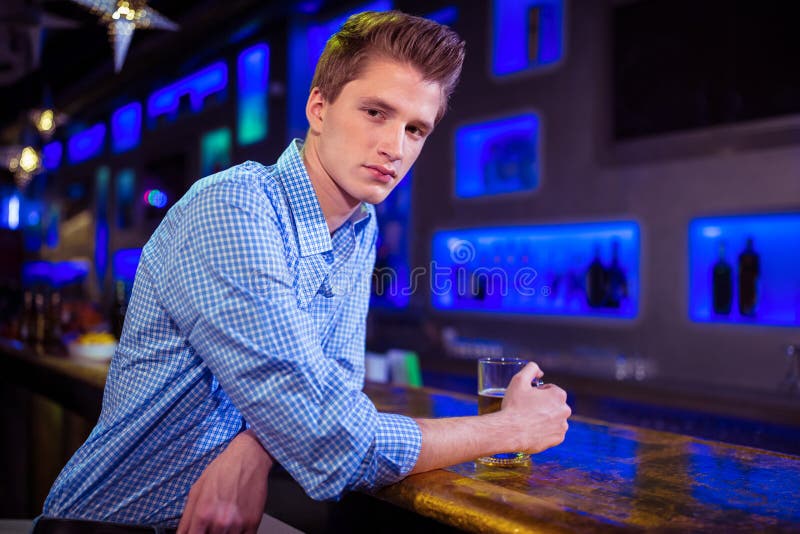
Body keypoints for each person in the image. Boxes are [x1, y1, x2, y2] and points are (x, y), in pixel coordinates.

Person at [40, 10, 571, 532]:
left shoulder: (359, 226)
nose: (395, 147)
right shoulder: (233, 207)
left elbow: (335, 383)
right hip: (109, 524)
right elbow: (333, 438)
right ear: (319, 107)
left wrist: (255, 445)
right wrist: (509, 428)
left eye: (415, 129)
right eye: (375, 112)